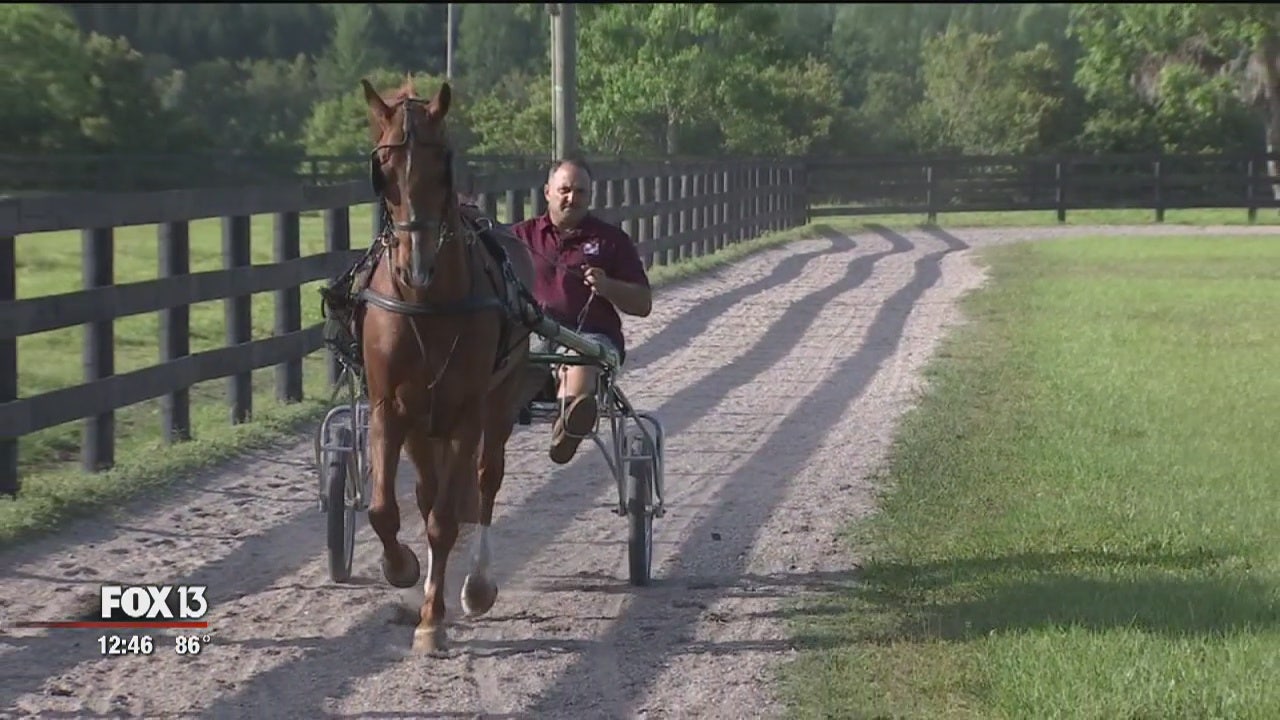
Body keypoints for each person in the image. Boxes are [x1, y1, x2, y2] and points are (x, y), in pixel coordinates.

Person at [509, 158, 652, 465]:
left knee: (581, 359)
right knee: (505, 361)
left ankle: (568, 425)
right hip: (529, 337)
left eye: (580, 192)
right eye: (564, 190)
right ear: (548, 191)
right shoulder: (518, 238)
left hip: (588, 336)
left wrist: (608, 286)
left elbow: (643, 304)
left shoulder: (610, 241)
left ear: (590, 196)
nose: (571, 198)